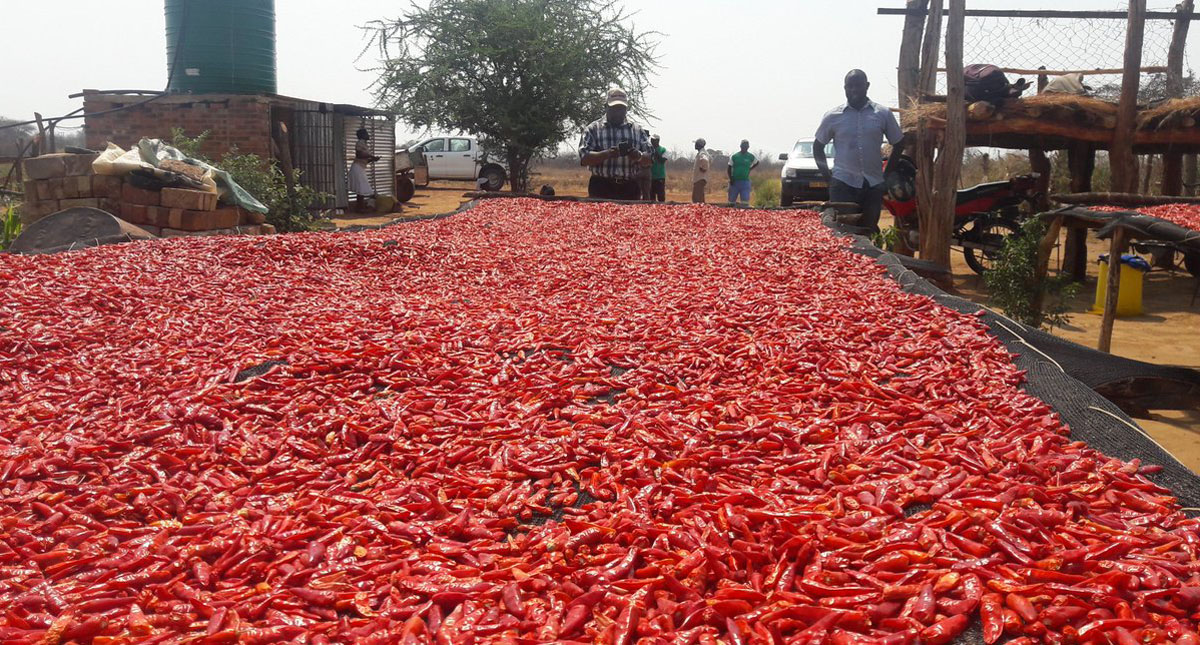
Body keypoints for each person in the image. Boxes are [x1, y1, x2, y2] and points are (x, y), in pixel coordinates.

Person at [813, 69, 907, 233]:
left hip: (873, 184)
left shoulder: (882, 114)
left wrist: (886, 176)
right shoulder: (832, 116)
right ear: (845, 88)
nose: (854, 90)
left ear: (867, 86)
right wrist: (829, 178)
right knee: (843, 232)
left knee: (868, 230)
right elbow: (817, 147)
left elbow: (899, 143)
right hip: (843, 184)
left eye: (858, 85)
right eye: (850, 86)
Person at [579, 87, 650, 200]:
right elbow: (584, 158)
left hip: (630, 187)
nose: (618, 112)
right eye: (614, 108)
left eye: (621, 108)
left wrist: (638, 156)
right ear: (606, 107)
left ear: (626, 109)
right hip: (601, 186)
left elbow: (650, 158)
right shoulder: (593, 129)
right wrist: (607, 154)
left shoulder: (637, 130)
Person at [348, 127, 381, 213]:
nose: (368, 135)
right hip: (357, 167)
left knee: (361, 189)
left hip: (360, 167)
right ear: (362, 135)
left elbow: (364, 158)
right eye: (366, 133)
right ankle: (360, 208)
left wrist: (373, 159)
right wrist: (372, 157)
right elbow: (359, 155)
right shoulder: (360, 143)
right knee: (362, 188)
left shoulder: (363, 144)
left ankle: (359, 207)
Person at [727, 140, 759, 204]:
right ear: (740, 146)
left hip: (745, 182)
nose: (744, 147)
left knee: (745, 203)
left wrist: (750, 168)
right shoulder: (735, 156)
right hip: (734, 181)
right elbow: (729, 168)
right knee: (731, 203)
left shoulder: (750, 156)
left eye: (746, 146)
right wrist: (731, 179)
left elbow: (757, 162)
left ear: (748, 147)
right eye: (743, 146)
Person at [649, 135, 668, 202]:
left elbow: (662, 160)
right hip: (651, 177)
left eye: (653, 140)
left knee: (661, 196)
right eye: (651, 139)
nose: (651, 141)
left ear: (658, 141)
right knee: (651, 197)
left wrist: (655, 151)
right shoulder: (648, 149)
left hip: (660, 176)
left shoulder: (663, 149)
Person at [692, 138, 711, 203]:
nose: (695, 145)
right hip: (700, 178)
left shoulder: (702, 153)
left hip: (700, 178)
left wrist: (704, 168)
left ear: (699, 145)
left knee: (697, 198)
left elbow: (705, 160)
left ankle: (700, 211)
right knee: (699, 196)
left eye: (696, 144)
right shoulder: (703, 152)